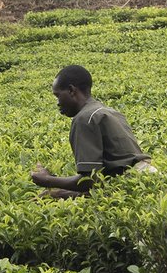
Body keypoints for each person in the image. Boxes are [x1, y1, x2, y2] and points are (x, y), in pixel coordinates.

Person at [31, 65, 156, 199]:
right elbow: (105, 178)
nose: (57, 103)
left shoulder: (84, 118)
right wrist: (61, 193)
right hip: (148, 181)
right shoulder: (109, 112)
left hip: (133, 188)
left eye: (58, 95)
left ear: (71, 90)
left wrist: (47, 180)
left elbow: (88, 181)